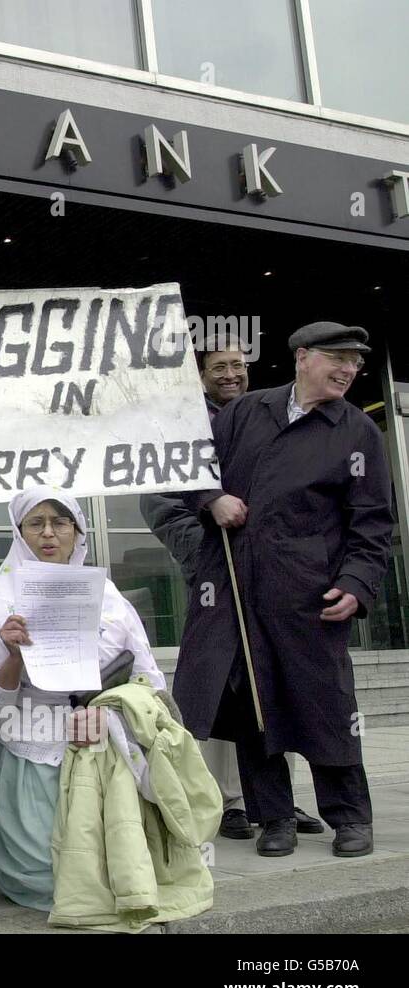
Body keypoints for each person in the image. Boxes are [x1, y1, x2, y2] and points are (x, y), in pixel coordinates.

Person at [175, 321, 394, 858]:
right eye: (337, 358)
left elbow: (373, 523)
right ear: (301, 358)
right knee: (252, 703)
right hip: (237, 590)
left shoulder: (356, 431)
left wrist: (356, 583)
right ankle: (272, 817)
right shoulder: (247, 412)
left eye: (355, 362)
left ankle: (349, 817)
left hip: (312, 594)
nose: (348, 370)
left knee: (327, 702)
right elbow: (188, 466)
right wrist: (212, 499)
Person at [0, 486, 176, 911]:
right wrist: (13, 659)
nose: (48, 534)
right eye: (35, 523)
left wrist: (111, 711)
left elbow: (149, 683)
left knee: (117, 879)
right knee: (49, 882)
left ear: (78, 533)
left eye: (60, 523)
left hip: (104, 747)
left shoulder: (110, 599)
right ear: (20, 534)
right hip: (31, 749)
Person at [140, 336, 321, 840]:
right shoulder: (183, 425)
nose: (230, 374)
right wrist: (208, 556)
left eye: (238, 366)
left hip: (270, 578)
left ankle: (277, 802)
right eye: (218, 367)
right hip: (213, 578)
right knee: (220, 687)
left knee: (269, 685)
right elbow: (159, 502)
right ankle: (228, 800)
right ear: (200, 375)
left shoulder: (267, 419)